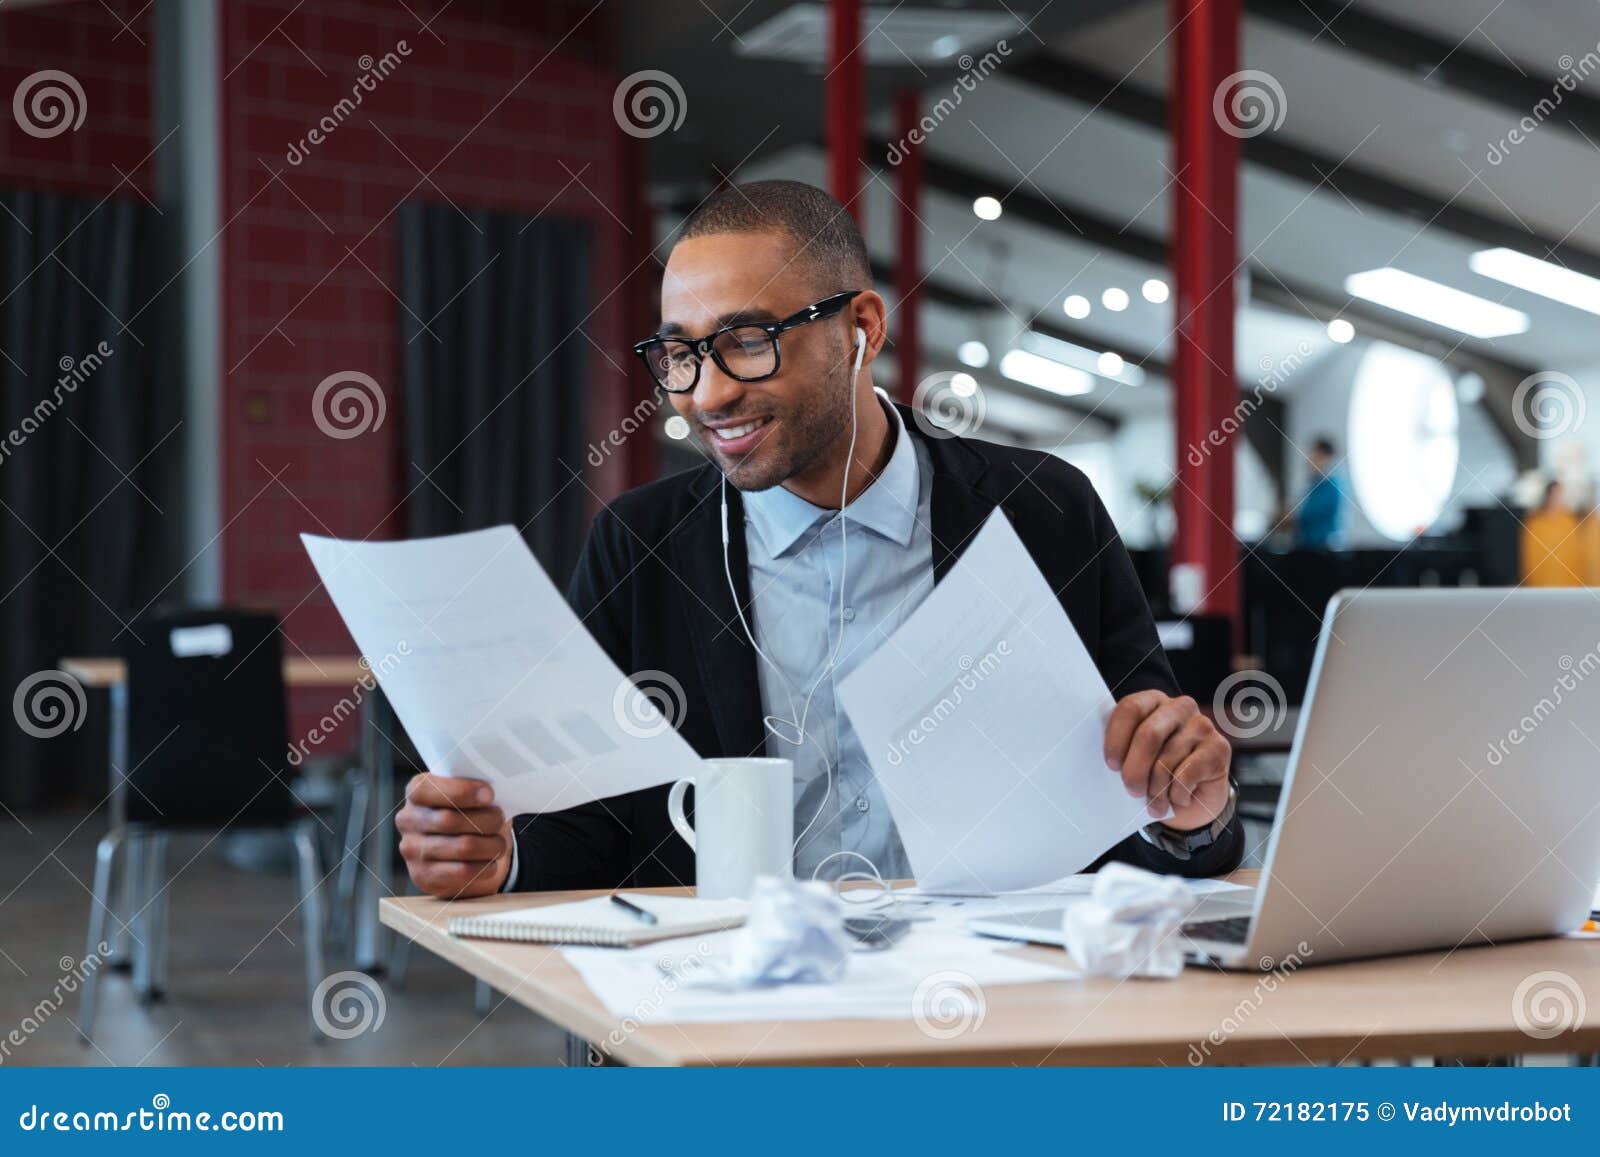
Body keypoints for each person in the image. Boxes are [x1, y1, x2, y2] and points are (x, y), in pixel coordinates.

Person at [396, 180, 1242, 899]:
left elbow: (1155, 806)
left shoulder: (1040, 510)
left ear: (860, 328)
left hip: (1000, 1015)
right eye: (681, 355)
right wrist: (501, 856)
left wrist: (1194, 809)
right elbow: (593, 828)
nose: (708, 393)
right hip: (735, 1024)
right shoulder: (642, 543)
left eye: (747, 342)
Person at [1520, 479, 1588, 588]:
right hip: (1542, 583)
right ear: (1547, 495)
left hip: (1568, 583)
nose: (1557, 498)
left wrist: (1580, 580)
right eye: (1554, 494)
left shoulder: (1569, 521)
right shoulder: (1535, 523)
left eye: (1559, 494)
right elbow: (1529, 556)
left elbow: (1576, 553)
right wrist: (1531, 581)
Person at [1293, 436, 1345, 550]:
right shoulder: (1315, 484)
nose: (1309, 460)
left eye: (1315, 456)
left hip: (1323, 549)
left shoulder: (1332, 485)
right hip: (1308, 546)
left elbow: (1308, 514)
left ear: (1327, 458)